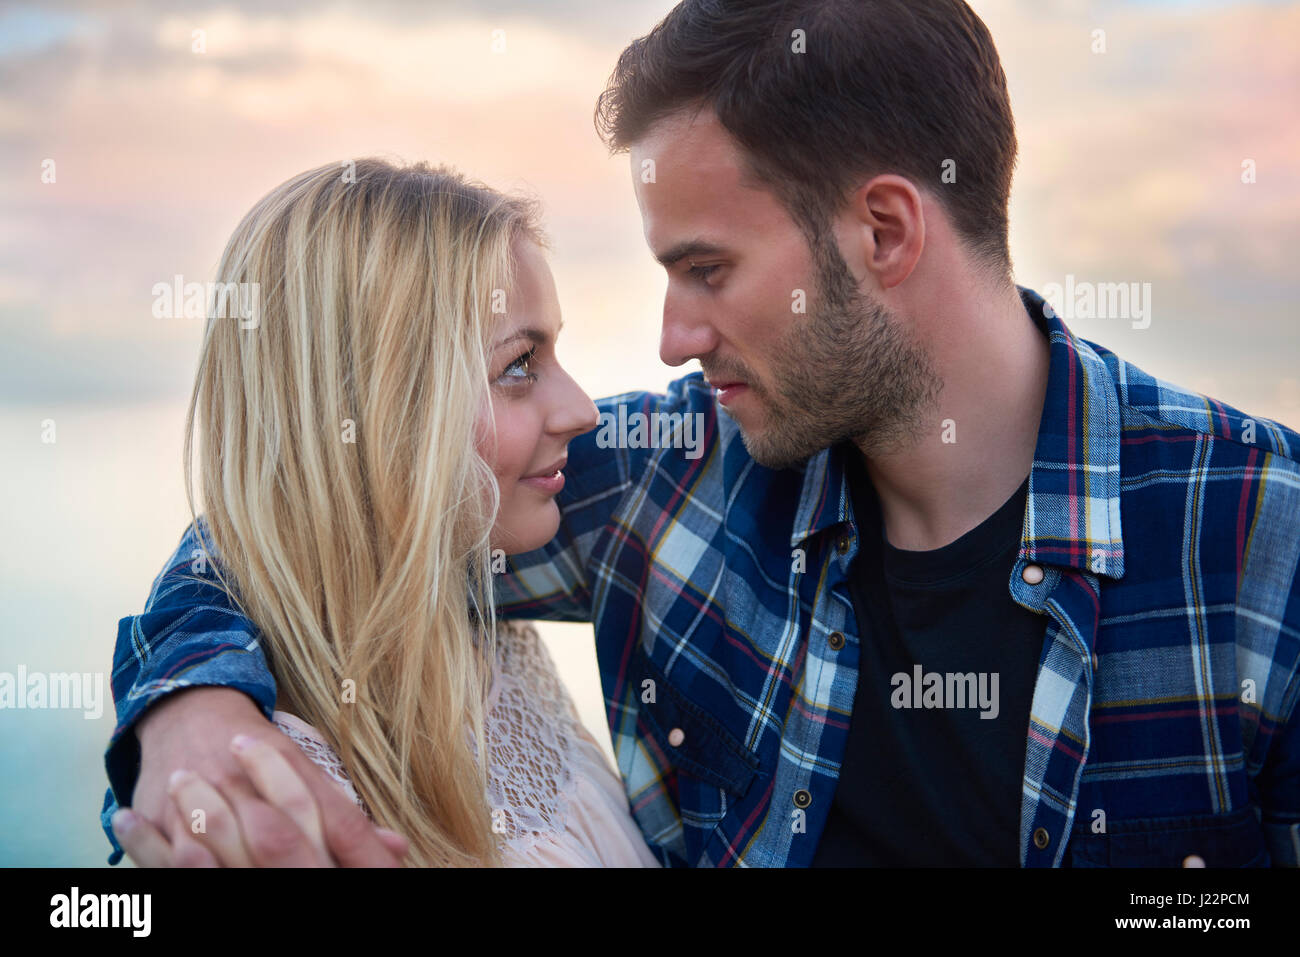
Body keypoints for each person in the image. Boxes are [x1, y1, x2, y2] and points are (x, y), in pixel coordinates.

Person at [107, 0, 1300, 868]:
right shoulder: (661, 483)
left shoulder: (1261, 537)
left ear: (883, 232)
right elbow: (308, 525)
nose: (671, 337)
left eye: (707, 269)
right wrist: (190, 712)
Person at [107, 157, 660, 867]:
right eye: (519, 364)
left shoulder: (489, 640)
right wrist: (182, 707)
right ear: (375, 413)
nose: (583, 409)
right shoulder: (283, 804)